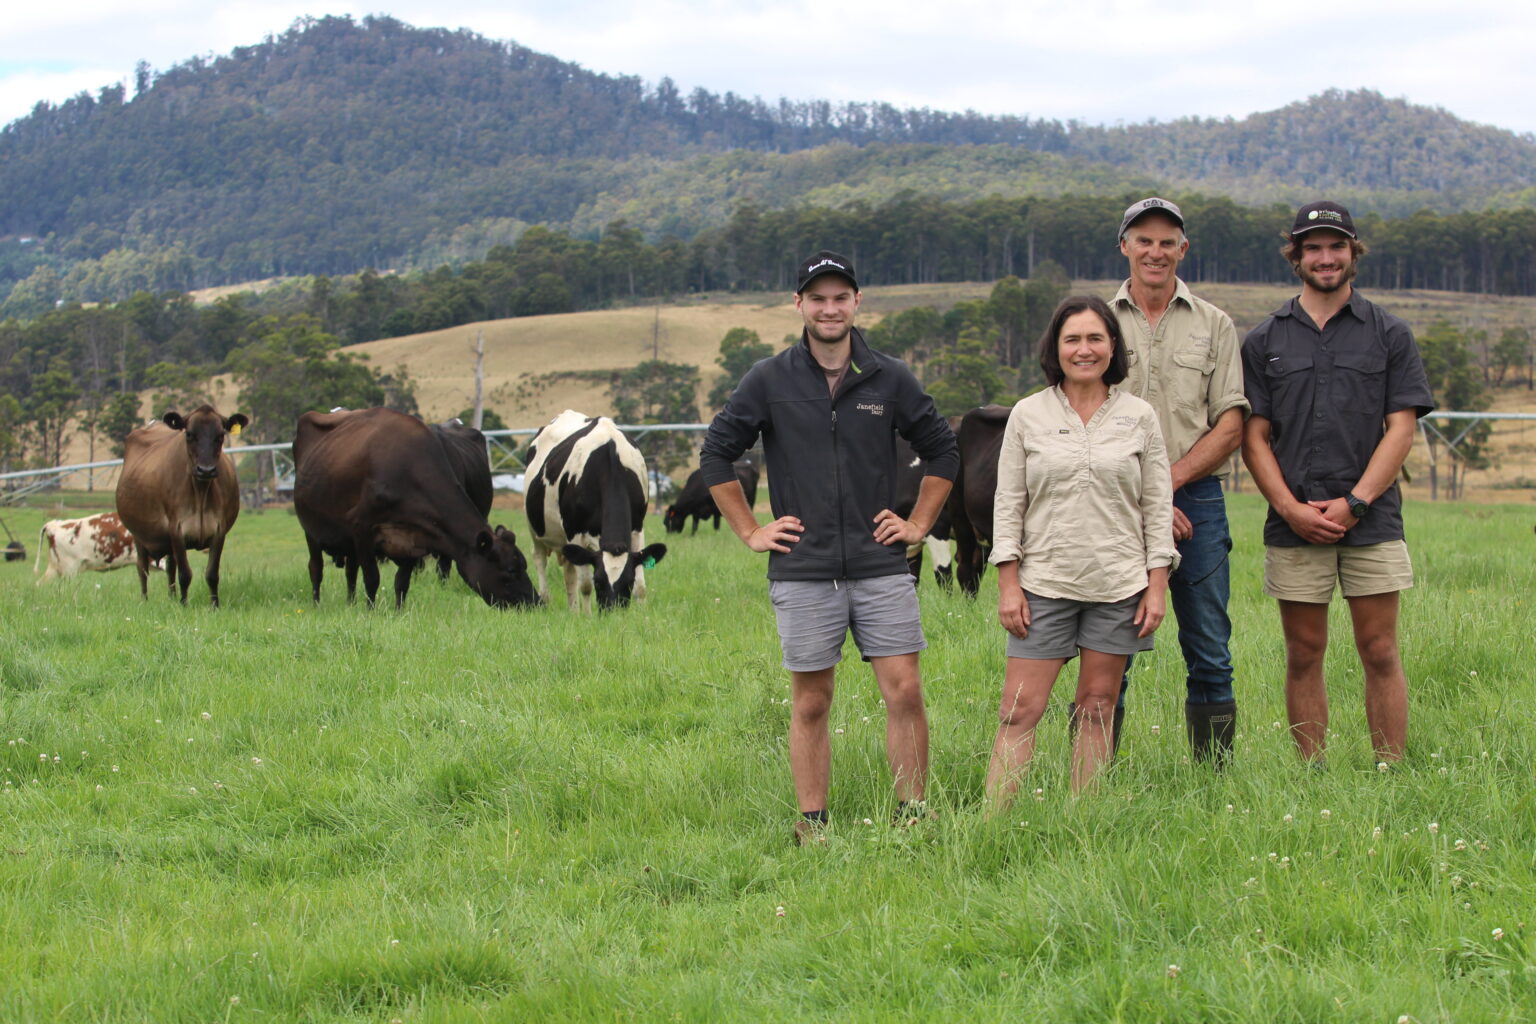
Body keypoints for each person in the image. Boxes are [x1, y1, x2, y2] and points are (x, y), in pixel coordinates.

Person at [698, 250, 958, 844]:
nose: (830, 308)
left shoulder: (889, 377)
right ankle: (812, 823)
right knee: (812, 700)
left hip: (880, 564)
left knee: (906, 689)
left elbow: (943, 449)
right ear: (800, 306)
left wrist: (918, 523)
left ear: (857, 302)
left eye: (840, 297)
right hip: (804, 568)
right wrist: (750, 530)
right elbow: (717, 453)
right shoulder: (769, 379)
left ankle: (912, 816)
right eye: (818, 298)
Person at [1240, 201, 1434, 765]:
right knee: (1303, 652)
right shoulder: (1264, 339)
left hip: (1372, 520)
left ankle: (1390, 771)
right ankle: (1311, 774)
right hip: (1292, 522)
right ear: (1295, 257)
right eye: (1314, 248)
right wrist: (1290, 508)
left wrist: (1356, 502)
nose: (1326, 258)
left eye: (1336, 247)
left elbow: (1400, 429)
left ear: (1353, 254)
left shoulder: (1389, 334)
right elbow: (1254, 437)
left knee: (1379, 650)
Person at [985, 295, 1176, 804]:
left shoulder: (1139, 417)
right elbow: (1009, 503)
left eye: (1096, 338)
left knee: (1096, 707)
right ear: (1056, 347)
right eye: (1073, 339)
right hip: (1042, 585)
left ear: (1113, 347)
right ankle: (994, 826)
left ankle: (1083, 823)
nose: (1084, 350)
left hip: (1118, 586)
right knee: (1019, 710)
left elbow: (1158, 507)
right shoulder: (1028, 413)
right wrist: (1009, 582)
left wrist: (1157, 586)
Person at [1110, 197, 1250, 764]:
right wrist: (1142, 495)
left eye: (1167, 241)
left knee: (1210, 648)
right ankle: (1091, 781)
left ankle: (1214, 783)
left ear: (1183, 250)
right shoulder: (1096, 321)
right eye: (1143, 239)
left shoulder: (1215, 323)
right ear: (1124, 246)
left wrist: (1161, 489)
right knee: (1107, 649)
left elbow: (1232, 423)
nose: (1155, 251)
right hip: (1110, 501)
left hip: (1196, 501)